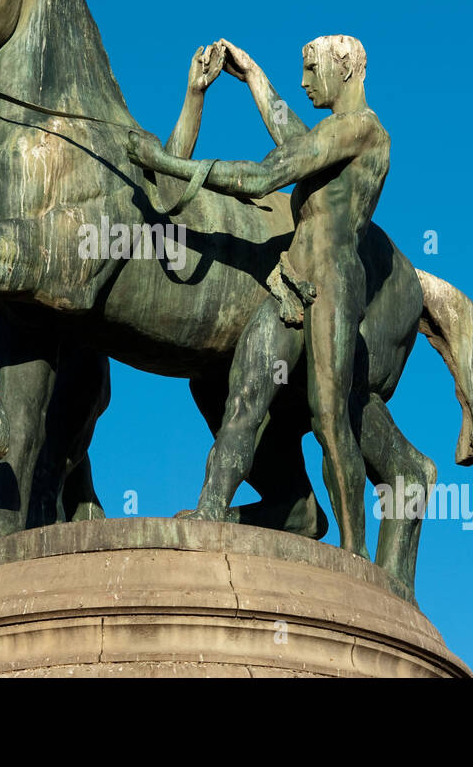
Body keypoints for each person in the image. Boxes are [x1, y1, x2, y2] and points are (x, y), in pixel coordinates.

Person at [126, 35, 389, 557]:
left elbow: (268, 174)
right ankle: (209, 510)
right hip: (291, 279)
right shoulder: (333, 135)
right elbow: (289, 129)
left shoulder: (365, 130)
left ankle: (356, 557)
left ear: (347, 70)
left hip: (335, 283)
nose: (305, 79)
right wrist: (251, 76)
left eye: (312, 68)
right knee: (244, 390)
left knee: (330, 418)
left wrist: (168, 164)